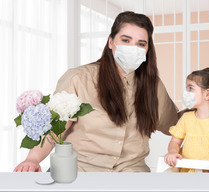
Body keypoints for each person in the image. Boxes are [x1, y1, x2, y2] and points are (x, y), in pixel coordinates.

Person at [13, 11, 178, 172]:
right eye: (126, 40)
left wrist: (200, 109)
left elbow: (174, 126)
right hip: (79, 171)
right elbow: (56, 129)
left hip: (132, 174)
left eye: (141, 44)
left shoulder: (153, 86)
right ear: (111, 42)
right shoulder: (78, 79)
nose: (132, 48)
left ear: (148, 49)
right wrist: (32, 159)